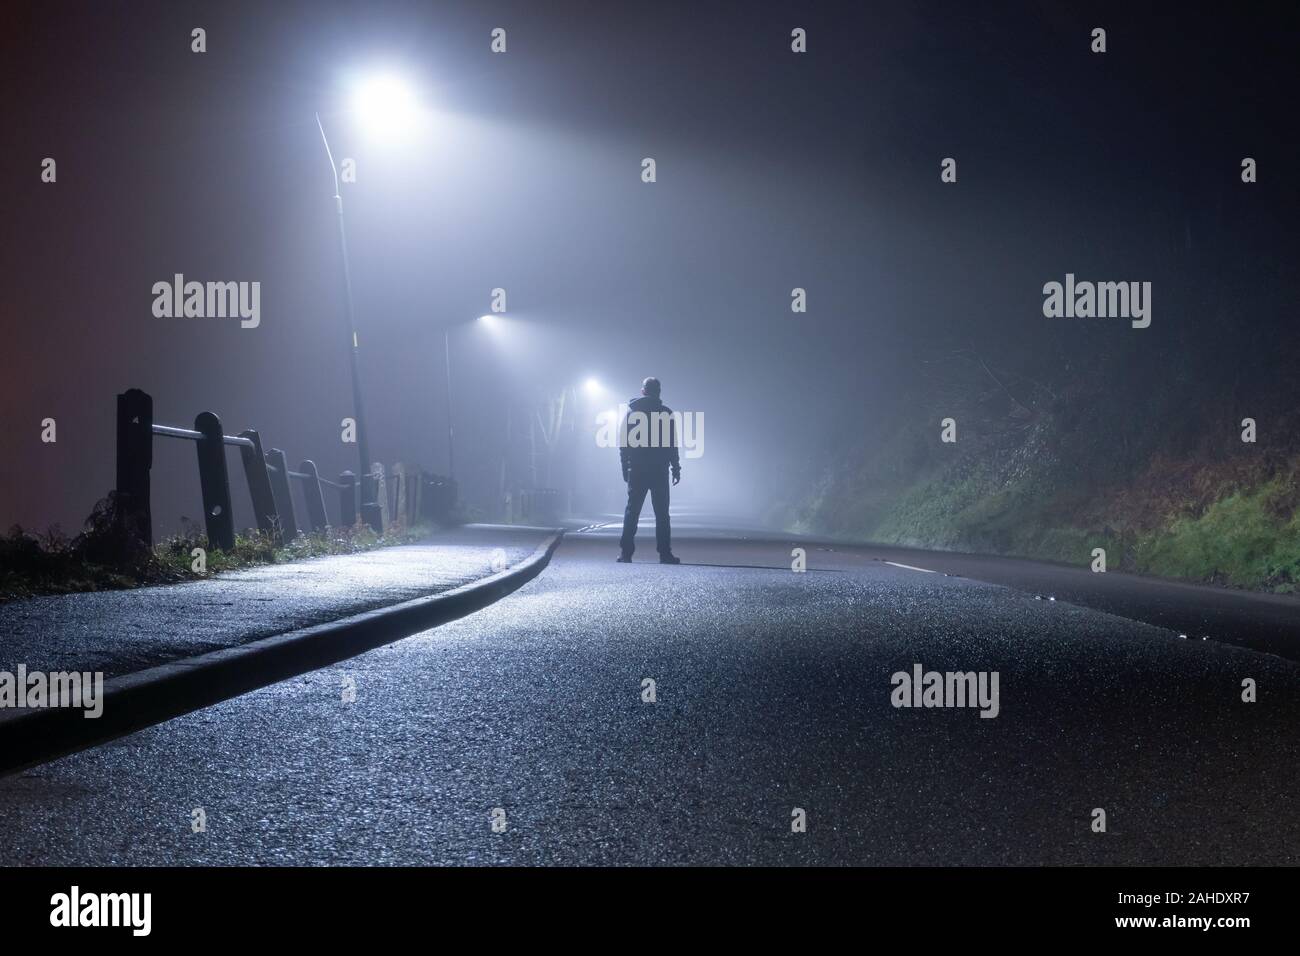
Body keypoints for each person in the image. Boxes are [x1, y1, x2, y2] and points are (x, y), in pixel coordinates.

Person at [617, 377, 681, 563]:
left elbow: (624, 445)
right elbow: (672, 445)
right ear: (658, 392)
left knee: (632, 511)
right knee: (662, 514)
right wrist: (675, 468)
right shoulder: (666, 413)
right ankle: (665, 553)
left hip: (637, 470)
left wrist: (625, 468)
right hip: (659, 470)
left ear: (643, 391)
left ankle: (626, 553)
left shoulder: (631, 414)